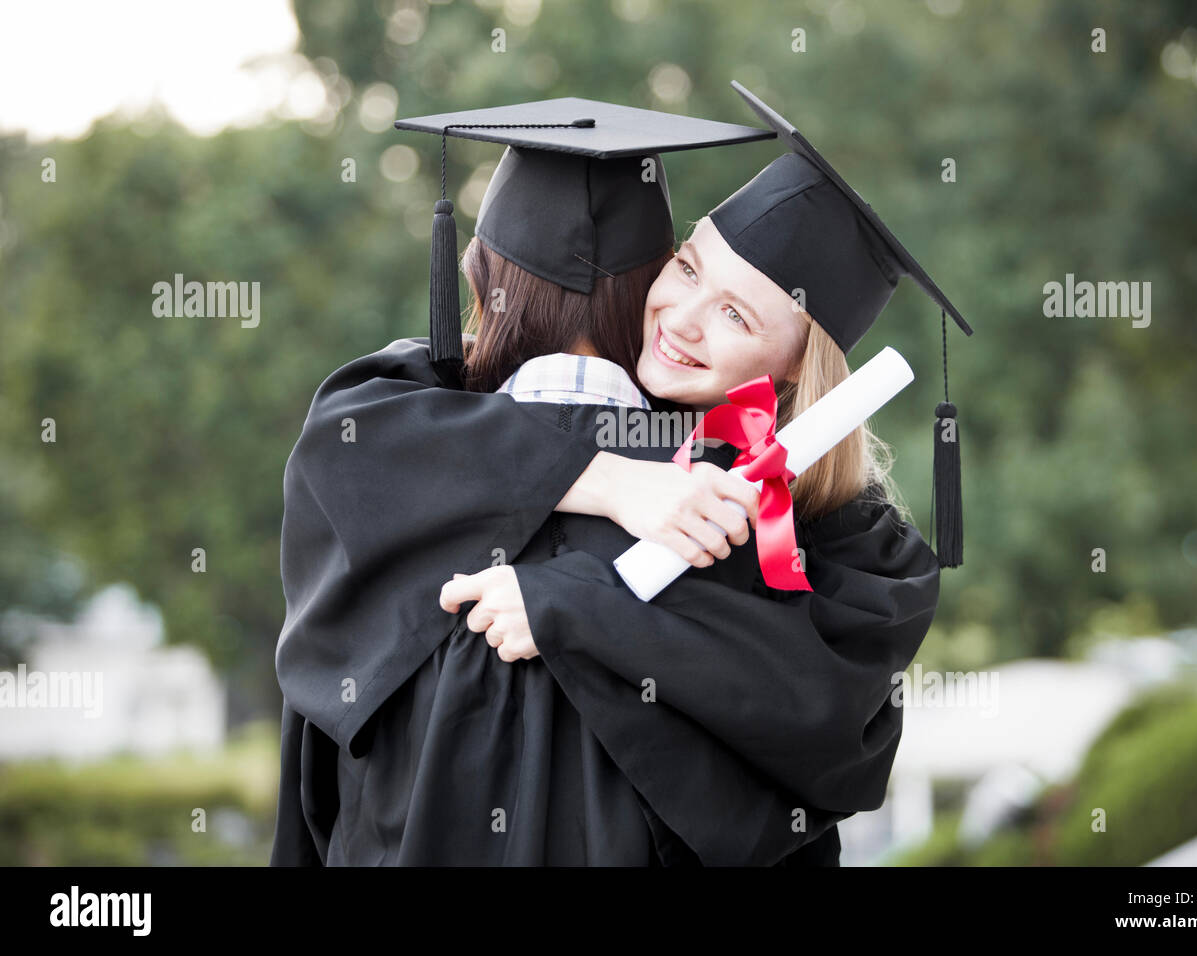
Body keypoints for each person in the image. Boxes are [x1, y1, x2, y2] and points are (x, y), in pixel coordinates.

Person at [272, 87, 970, 865]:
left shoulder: (825, 548)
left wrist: (568, 602)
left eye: (738, 316)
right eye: (685, 268)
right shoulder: (392, 430)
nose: (681, 317)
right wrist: (603, 479)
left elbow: (820, 712)